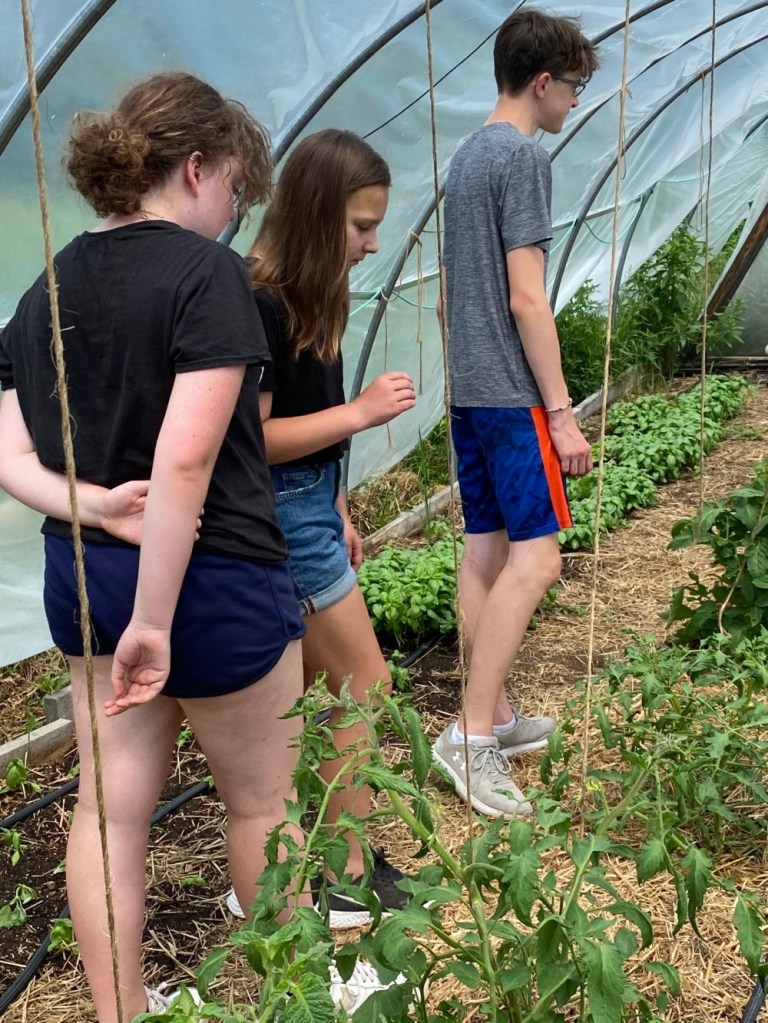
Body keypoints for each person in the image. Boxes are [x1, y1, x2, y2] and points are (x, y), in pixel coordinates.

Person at [0, 73, 326, 1022]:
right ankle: (292, 1001)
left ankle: (120, 1015)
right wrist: (154, 617)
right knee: (263, 805)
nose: (233, 213)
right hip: (209, 584)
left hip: (88, 578)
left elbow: (10, 456)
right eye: (235, 189)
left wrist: (95, 505)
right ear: (196, 168)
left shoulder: (42, 285)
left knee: (107, 810)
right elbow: (186, 464)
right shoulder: (205, 273)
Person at [224, 129, 417, 930]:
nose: (373, 244)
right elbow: (253, 439)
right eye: (360, 226)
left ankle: (286, 862)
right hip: (277, 511)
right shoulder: (262, 301)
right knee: (366, 688)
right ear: (313, 214)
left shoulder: (313, 293)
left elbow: (312, 433)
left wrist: (338, 507)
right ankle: (342, 871)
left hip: (309, 507)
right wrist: (361, 411)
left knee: (302, 702)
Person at [432, 10, 599, 818]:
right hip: (511, 395)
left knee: (485, 554)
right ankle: (470, 735)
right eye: (573, 87)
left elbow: (445, 297)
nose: (575, 101)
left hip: (470, 391)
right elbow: (526, 297)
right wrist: (560, 412)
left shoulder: (465, 158)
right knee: (538, 561)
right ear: (543, 81)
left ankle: (490, 712)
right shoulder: (524, 159)